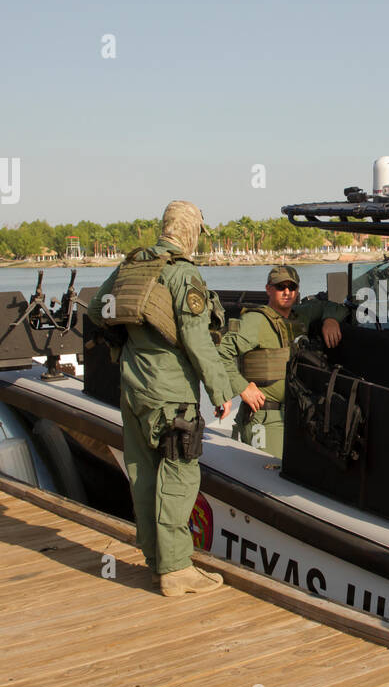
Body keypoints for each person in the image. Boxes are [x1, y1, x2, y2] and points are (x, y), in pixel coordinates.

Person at [86, 200, 233, 597]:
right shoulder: (182, 274)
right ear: (189, 231)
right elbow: (198, 340)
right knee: (180, 474)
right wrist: (221, 391)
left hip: (132, 388)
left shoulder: (131, 266)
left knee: (144, 474)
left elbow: (99, 311)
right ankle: (176, 571)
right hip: (171, 395)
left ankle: (156, 561)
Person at [217, 265, 345, 458]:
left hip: (297, 414)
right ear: (268, 289)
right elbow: (220, 353)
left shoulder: (301, 315)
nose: (287, 292)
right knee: (267, 478)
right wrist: (242, 388)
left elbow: (334, 306)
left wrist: (330, 320)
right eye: (280, 287)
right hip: (265, 418)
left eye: (292, 287)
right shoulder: (255, 321)